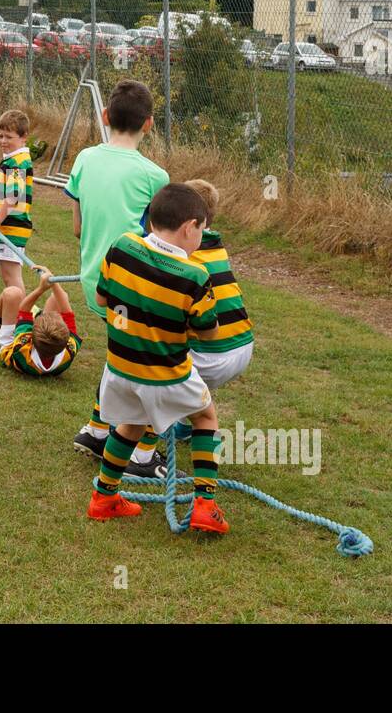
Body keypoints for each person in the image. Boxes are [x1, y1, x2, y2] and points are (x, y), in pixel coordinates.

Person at [86, 182, 225, 530]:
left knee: (131, 424)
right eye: (202, 230)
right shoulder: (196, 276)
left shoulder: (122, 246)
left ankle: (104, 497)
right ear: (189, 227)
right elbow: (208, 332)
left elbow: (103, 301)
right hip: (167, 374)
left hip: (119, 369)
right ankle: (206, 504)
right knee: (205, 417)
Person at [65, 79, 171, 468]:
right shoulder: (155, 176)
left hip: (95, 280)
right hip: (133, 285)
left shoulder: (83, 159)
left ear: (105, 116)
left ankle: (95, 430)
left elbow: (77, 228)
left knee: (120, 353)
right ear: (149, 124)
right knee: (147, 361)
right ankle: (139, 452)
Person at [179, 178, 254, 404]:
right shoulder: (216, 248)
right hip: (243, 345)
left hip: (210, 355)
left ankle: (148, 424)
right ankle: (184, 425)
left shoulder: (184, 255)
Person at [0, 267, 82, 378]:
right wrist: (53, 282)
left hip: (11, 345)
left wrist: (41, 289)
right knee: (60, 298)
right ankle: (35, 315)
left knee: (13, 293)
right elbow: (68, 313)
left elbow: (23, 309)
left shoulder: (22, 347)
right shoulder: (69, 350)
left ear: (31, 335)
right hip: (39, 346)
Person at [0, 109, 34, 294]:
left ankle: (21, 317)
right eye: (0, 135)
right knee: (7, 276)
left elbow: (13, 197)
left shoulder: (18, 162)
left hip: (13, 227)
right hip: (5, 224)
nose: (3, 141)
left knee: (12, 277)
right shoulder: (11, 160)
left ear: (23, 137)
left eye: (9, 137)